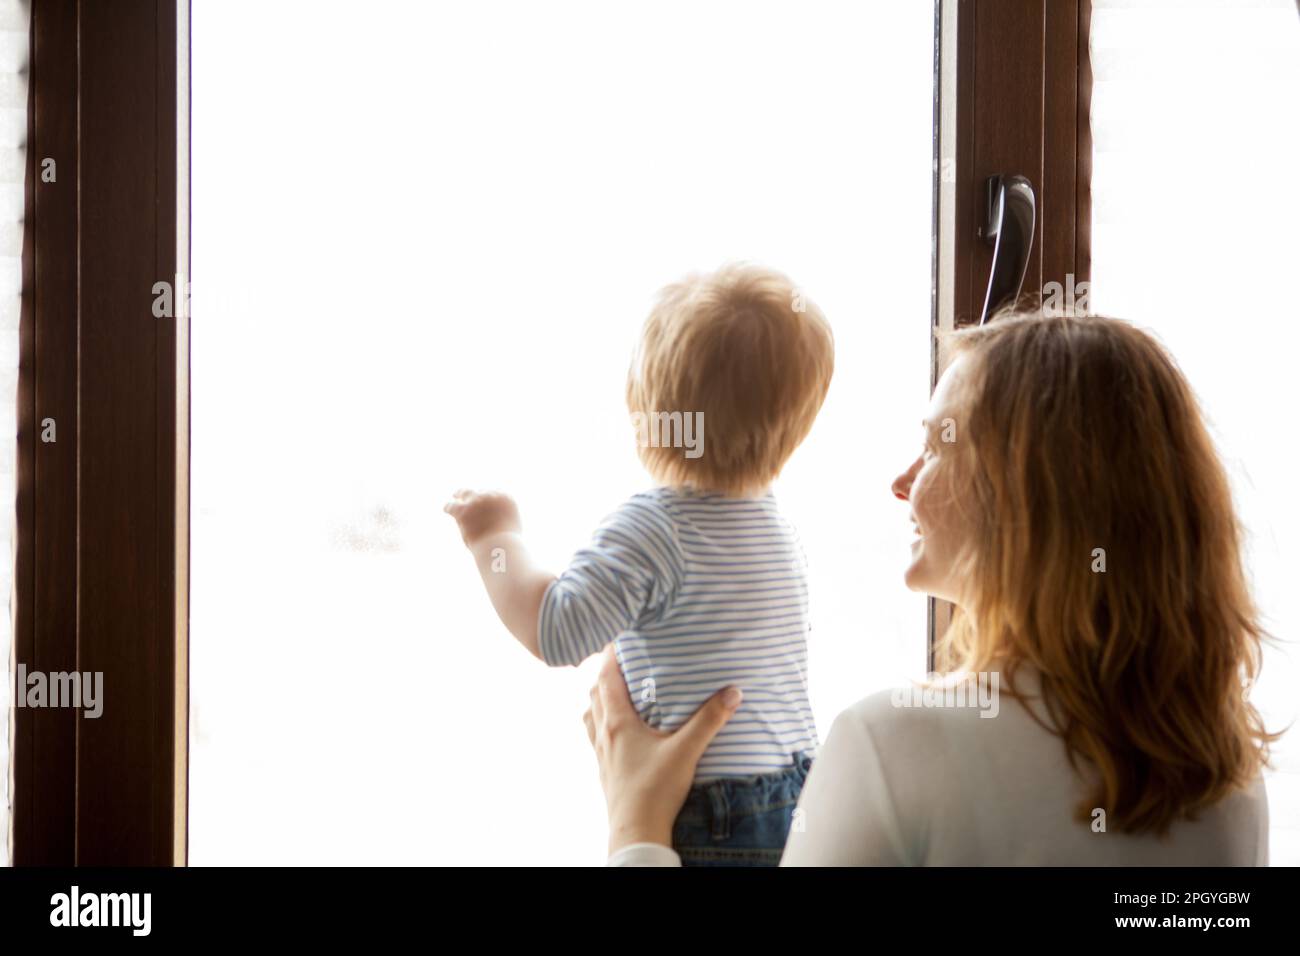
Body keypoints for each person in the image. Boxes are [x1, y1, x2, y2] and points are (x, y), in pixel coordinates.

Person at [586, 311, 1275, 866]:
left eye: (940, 444)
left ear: (1028, 495)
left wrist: (637, 828)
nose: (902, 480)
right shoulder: (1227, 776)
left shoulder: (891, 744)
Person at [446, 264, 835, 864]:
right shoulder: (779, 532)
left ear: (645, 411)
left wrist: (494, 539)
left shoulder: (659, 525)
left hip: (713, 806)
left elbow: (556, 629)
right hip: (802, 793)